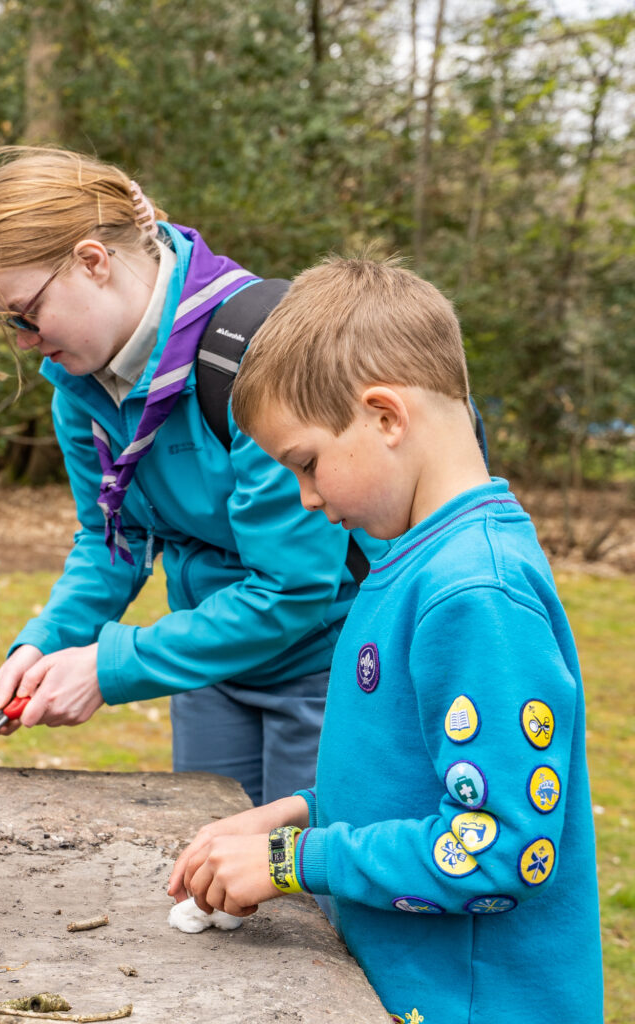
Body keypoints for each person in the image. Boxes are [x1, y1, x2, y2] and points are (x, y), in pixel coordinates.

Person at [166, 257, 602, 1022]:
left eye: (306, 463)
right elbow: (423, 774)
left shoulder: (475, 594)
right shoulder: (413, 558)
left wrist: (295, 861)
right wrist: (301, 811)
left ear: (385, 416)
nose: (306, 497)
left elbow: (500, 848)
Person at [0, 146, 373, 804]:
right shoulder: (79, 391)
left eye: (26, 314)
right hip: (208, 667)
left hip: (330, 668)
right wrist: (44, 645)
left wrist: (109, 667)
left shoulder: (258, 354)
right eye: (10, 325)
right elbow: (110, 543)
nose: (25, 343)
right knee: (208, 881)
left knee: (309, 893)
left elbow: (294, 587)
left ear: (93, 261)